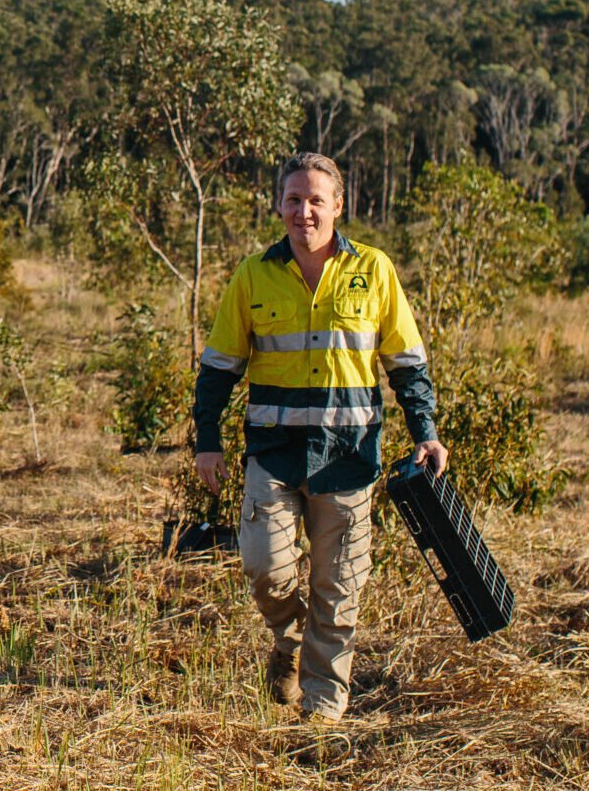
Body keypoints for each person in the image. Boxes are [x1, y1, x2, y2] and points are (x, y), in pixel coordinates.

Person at [189, 152, 445, 723]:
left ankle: (322, 714)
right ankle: (288, 637)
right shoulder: (253, 275)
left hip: (348, 460)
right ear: (279, 205)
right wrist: (209, 440)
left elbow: (405, 363)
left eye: (315, 200)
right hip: (273, 456)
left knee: (339, 589)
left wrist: (424, 431)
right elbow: (218, 369)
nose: (304, 211)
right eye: (293, 199)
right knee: (264, 568)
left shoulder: (374, 270)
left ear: (338, 206)